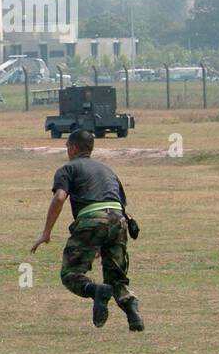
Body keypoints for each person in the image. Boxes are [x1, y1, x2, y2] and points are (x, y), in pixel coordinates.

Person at [31, 128, 142, 330]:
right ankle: (133, 313)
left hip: (91, 221)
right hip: (118, 221)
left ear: (73, 148)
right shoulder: (108, 170)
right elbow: (119, 203)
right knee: (116, 277)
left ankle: (96, 291)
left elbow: (59, 198)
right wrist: (100, 242)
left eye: (67, 146)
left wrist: (46, 232)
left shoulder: (68, 169)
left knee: (70, 274)